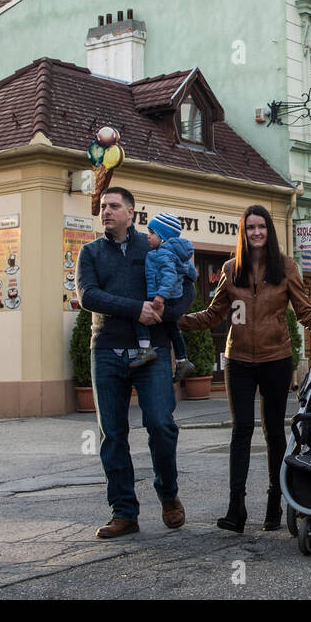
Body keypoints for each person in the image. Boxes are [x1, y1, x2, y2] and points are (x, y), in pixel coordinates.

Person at [181, 204, 311, 533]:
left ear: (268, 232)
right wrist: (175, 319)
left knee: (275, 433)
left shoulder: (287, 268)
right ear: (243, 233)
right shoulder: (232, 269)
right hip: (238, 360)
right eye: (250, 228)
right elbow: (213, 315)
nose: (256, 232)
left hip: (276, 358)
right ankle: (237, 508)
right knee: (241, 430)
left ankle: (276, 503)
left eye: (261, 227)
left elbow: (305, 313)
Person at [77, 187, 184, 539]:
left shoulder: (151, 245)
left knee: (160, 424)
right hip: (107, 349)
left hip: (150, 350)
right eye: (103, 207)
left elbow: (186, 284)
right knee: (113, 434)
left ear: (131, 212)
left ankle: (168, 494)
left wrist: (168, 309)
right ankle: (124, 512)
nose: (106, 212)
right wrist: (135, 307)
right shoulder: (89, 252)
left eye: (113, 206)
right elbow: (88, 296)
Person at [130, 212, 198, 382]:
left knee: (139, 315)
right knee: (173, 329)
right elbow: (190, 273)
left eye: (152, 233)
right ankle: (182, 360)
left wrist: (160, 296)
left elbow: (169, 276)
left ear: (163, 236)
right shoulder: (173, 253)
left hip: (164, 297)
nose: (148, 236)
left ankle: (145, 348)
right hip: (173, 296)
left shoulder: (164, 253)